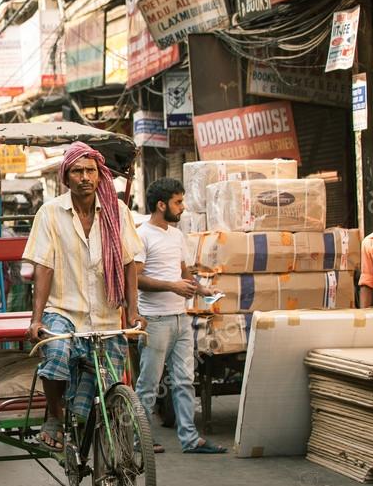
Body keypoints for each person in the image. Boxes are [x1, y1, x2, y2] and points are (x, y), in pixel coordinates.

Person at [24, 142, 144, 451]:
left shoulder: (117, 212)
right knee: (57, 351)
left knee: (110, 384)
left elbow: (130, 263)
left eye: (90, 170)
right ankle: (53, 415)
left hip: (105, 313)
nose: (85, 177)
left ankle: (99, 441)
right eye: (77, 171)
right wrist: (36, 318)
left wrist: (133, 312)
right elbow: (44, 266)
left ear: (100, 175)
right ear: (66, 177)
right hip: (63, 309)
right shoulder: (50, 213)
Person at [133, 178, 227, 454]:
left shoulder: (176, 236)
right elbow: (136, 278)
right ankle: (140, 439)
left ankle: (190, 439)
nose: (183, 207)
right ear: (161, 205)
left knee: (185, 380)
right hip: (155, 320)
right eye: (178, 202)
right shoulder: (142, 236)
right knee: (149, 384)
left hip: (180, 318)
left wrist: (202, 288)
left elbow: (183, 272)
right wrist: (172, 286)